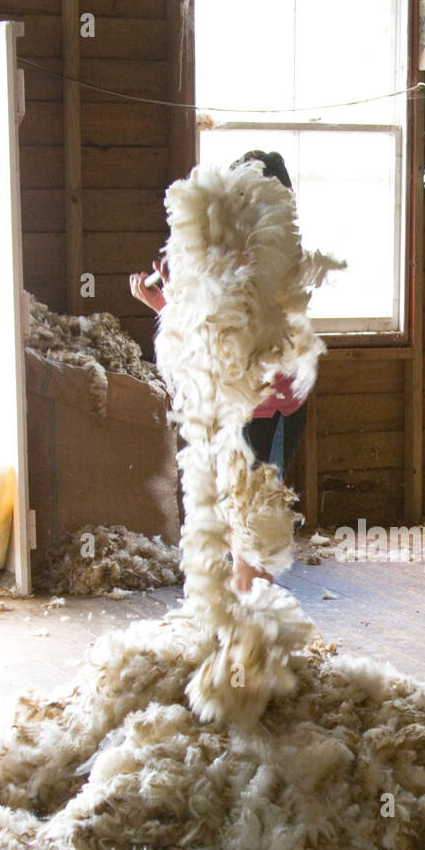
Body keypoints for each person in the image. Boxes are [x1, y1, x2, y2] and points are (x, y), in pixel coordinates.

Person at [130, 149, 309, 594]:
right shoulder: (239, 250)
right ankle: (243, 629)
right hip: (235, 407)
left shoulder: (272, 255)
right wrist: (170, 301)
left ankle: (255, 632)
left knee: (252, 520)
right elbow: (214, 329)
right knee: (235, 514)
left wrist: (175, 300)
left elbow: (243, 332)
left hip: (267, 409)